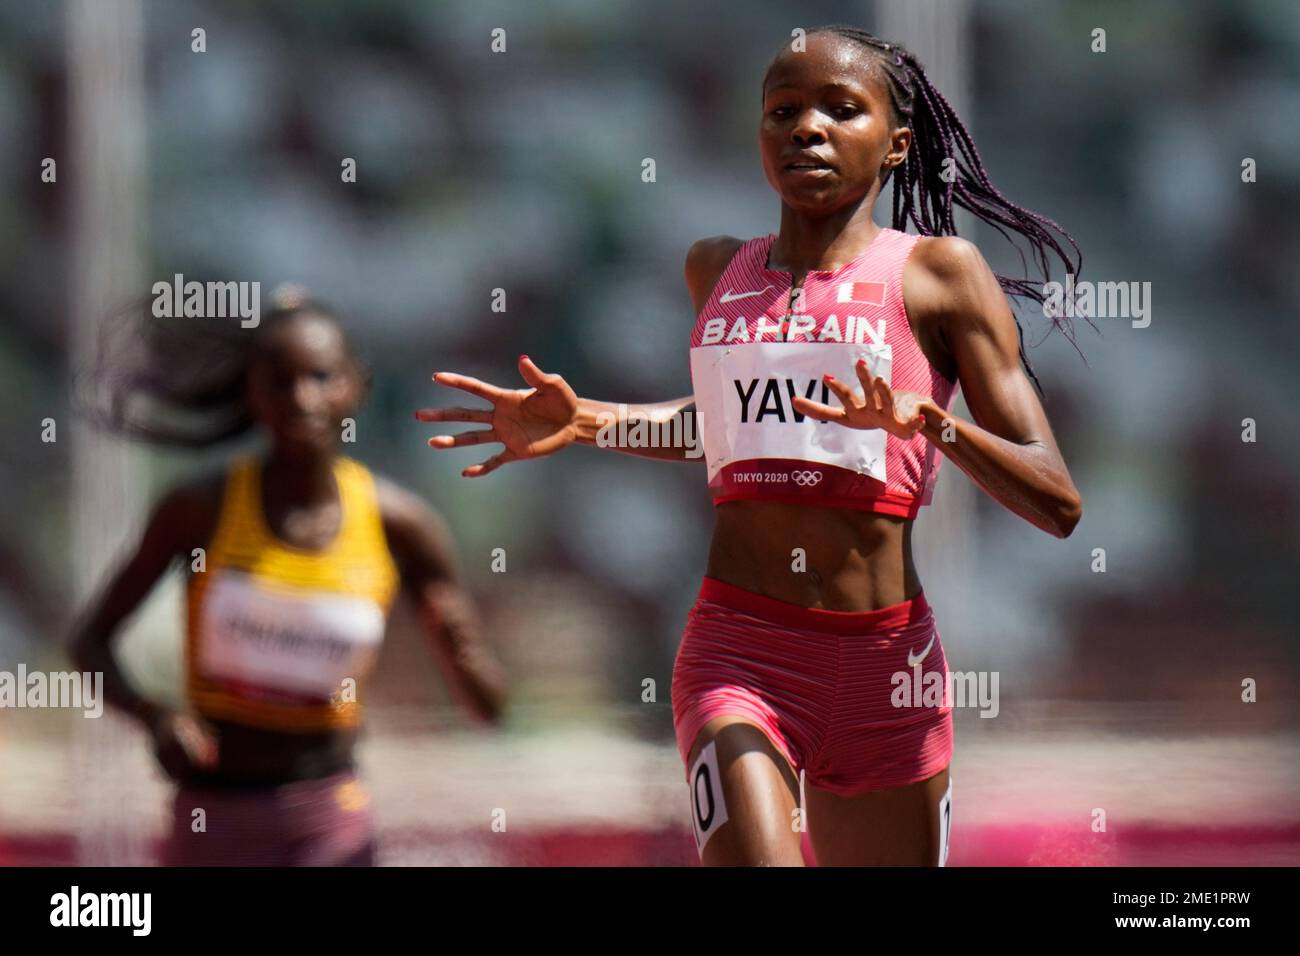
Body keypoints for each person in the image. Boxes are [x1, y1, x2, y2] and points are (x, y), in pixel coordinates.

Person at [417, 25, 1083, 866]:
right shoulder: (716, 270)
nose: (808, 128)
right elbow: (726, 432)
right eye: (783, 111)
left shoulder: (941, 276)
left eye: (842, 110)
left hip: (887, 664)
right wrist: (588, 420)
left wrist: (934, 425)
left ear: (896, 144)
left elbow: (1057, 499)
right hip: (740, 651)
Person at [72, 287, 506, 866]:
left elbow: (490, 708)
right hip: (211, 817)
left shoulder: (400, 524)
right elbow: (90, 642)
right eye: (280, 381)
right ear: (252, 394)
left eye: (322, 377)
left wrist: (465, 657)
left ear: (358, 386)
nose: (302, 398)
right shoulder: (200, 508)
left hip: (328, 818)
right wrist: (157, 718)